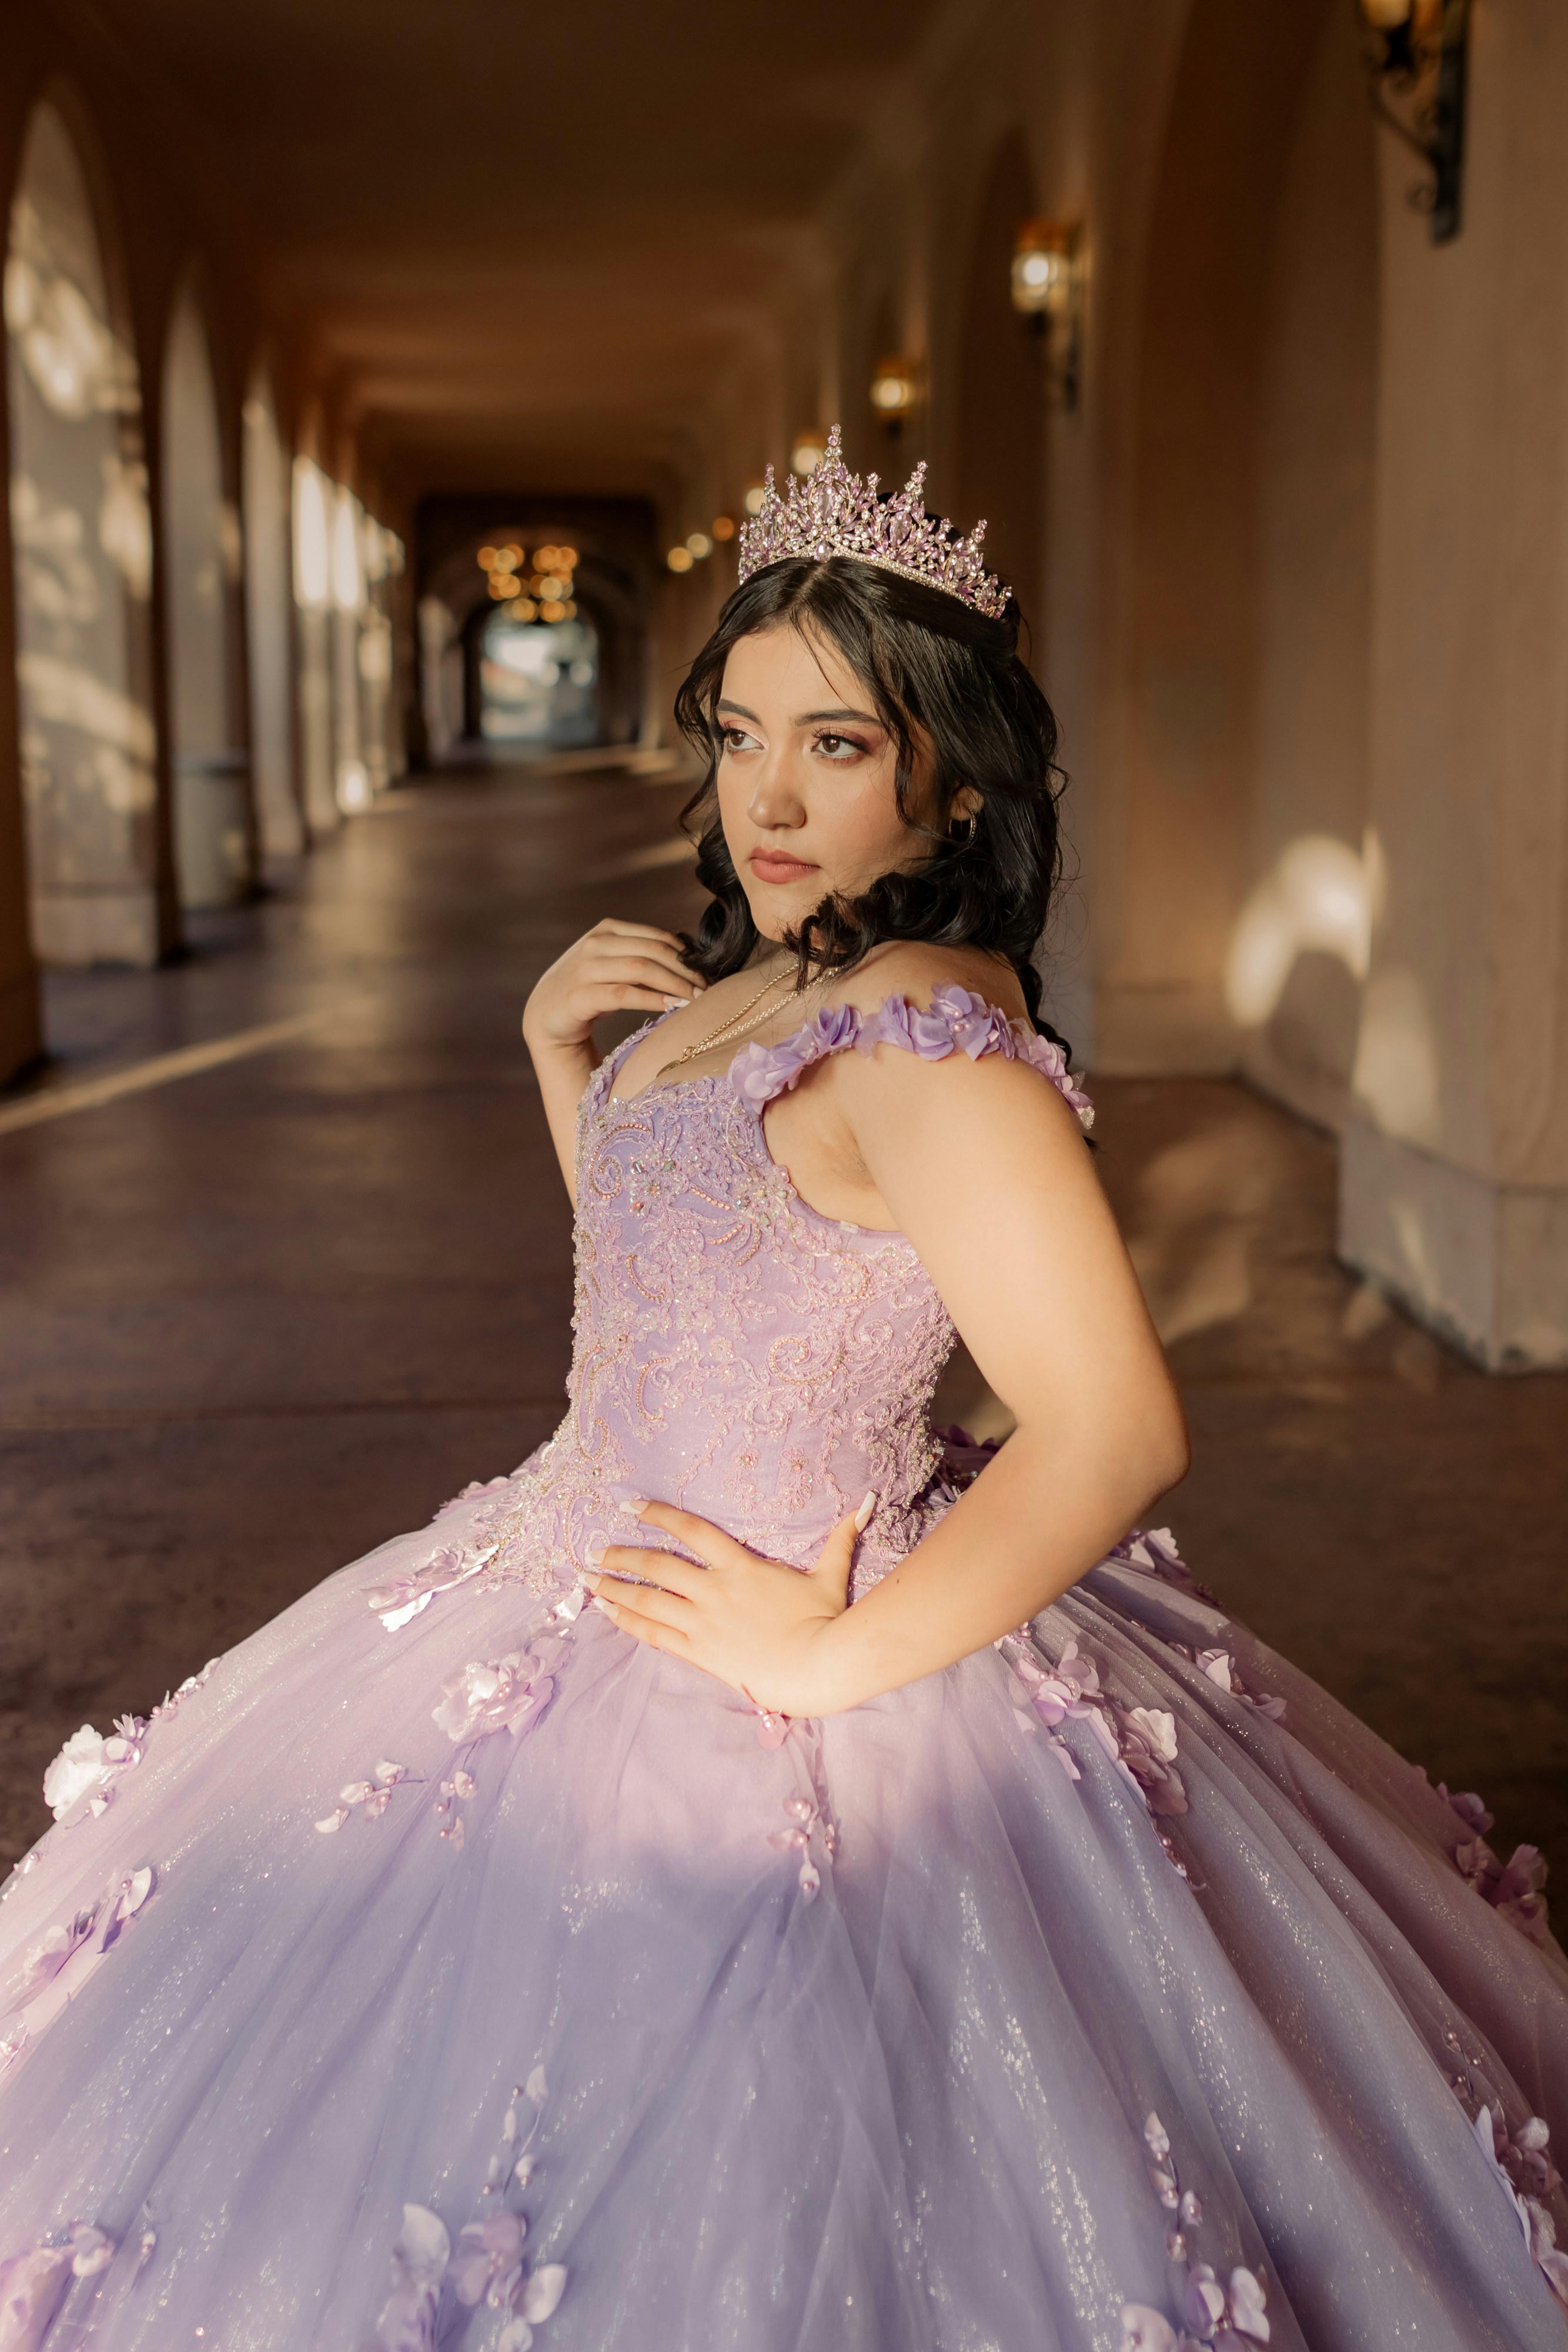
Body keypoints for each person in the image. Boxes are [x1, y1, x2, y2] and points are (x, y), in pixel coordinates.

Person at [0, 433, 1564, 2352]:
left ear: (950, 766)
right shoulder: (768, 981)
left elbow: (1117, 1426)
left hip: (778, 1635)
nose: (767, 793)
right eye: (740, 734)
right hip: (562, 1560)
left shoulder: (926, 1032)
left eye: (835, 743)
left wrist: (824, 1669)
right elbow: (695, 1291)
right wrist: (562, 1068)